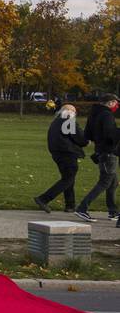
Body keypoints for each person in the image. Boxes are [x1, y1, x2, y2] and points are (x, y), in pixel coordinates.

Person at [35, 104, 88, 213]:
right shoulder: (68, 121)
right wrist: (87, 140)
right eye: (72, 110)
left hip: (57, 153)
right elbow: (81, 139)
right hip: (67, 153)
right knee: (68, 179)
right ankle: (44, 198)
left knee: (68, 179)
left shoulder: (56, 121)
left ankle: (70, 205)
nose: (73, 112)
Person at [75, 93, 119, 222]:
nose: (117, 106)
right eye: (116, 103)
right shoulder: (107, 115)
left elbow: (88, 133)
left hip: (100, 150)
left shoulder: (94, 113)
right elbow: (110, 134)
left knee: (113, 182)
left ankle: (113, 211)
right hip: (108, 152)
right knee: (105, 182)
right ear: (110, 103)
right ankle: (82, 208)